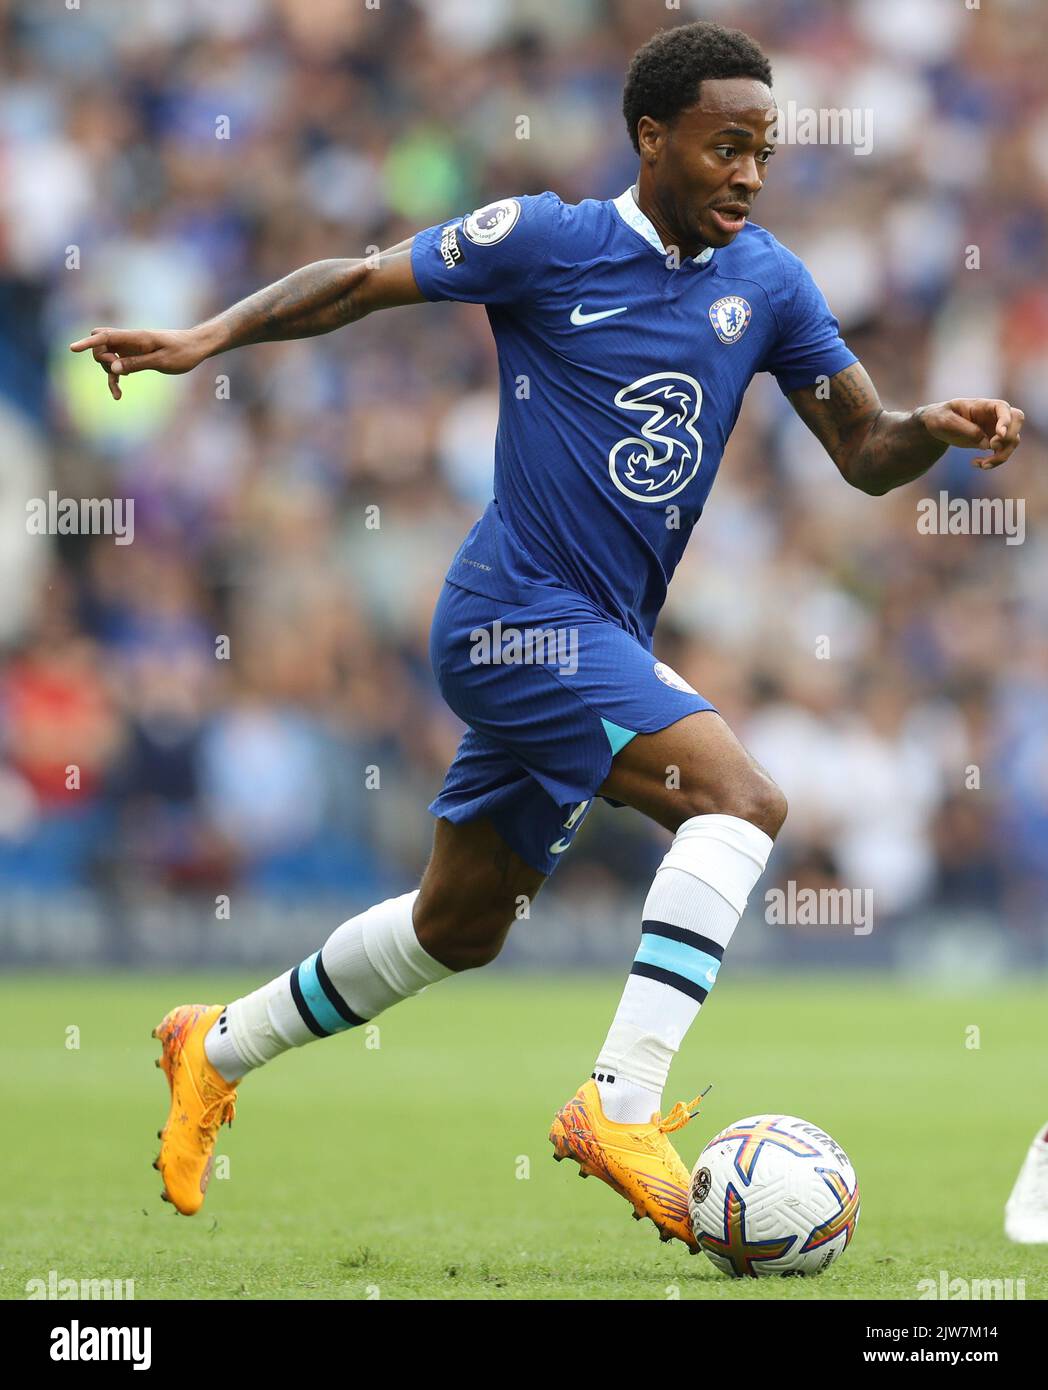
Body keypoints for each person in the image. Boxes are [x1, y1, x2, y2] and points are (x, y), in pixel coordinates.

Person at [72, 21, 1024, 1250]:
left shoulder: (770, 284)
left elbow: (861, 453)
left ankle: (216, 1043)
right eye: (725, 146)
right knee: (739, 802)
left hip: (598, 631)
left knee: (456, 925)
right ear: (651, 136)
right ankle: (618, 1104)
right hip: (512, 615)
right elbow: (359, 281)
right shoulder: (546, 240)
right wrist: (206, 339)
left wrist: (930, 430)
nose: (746, 172)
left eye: (764, 153)